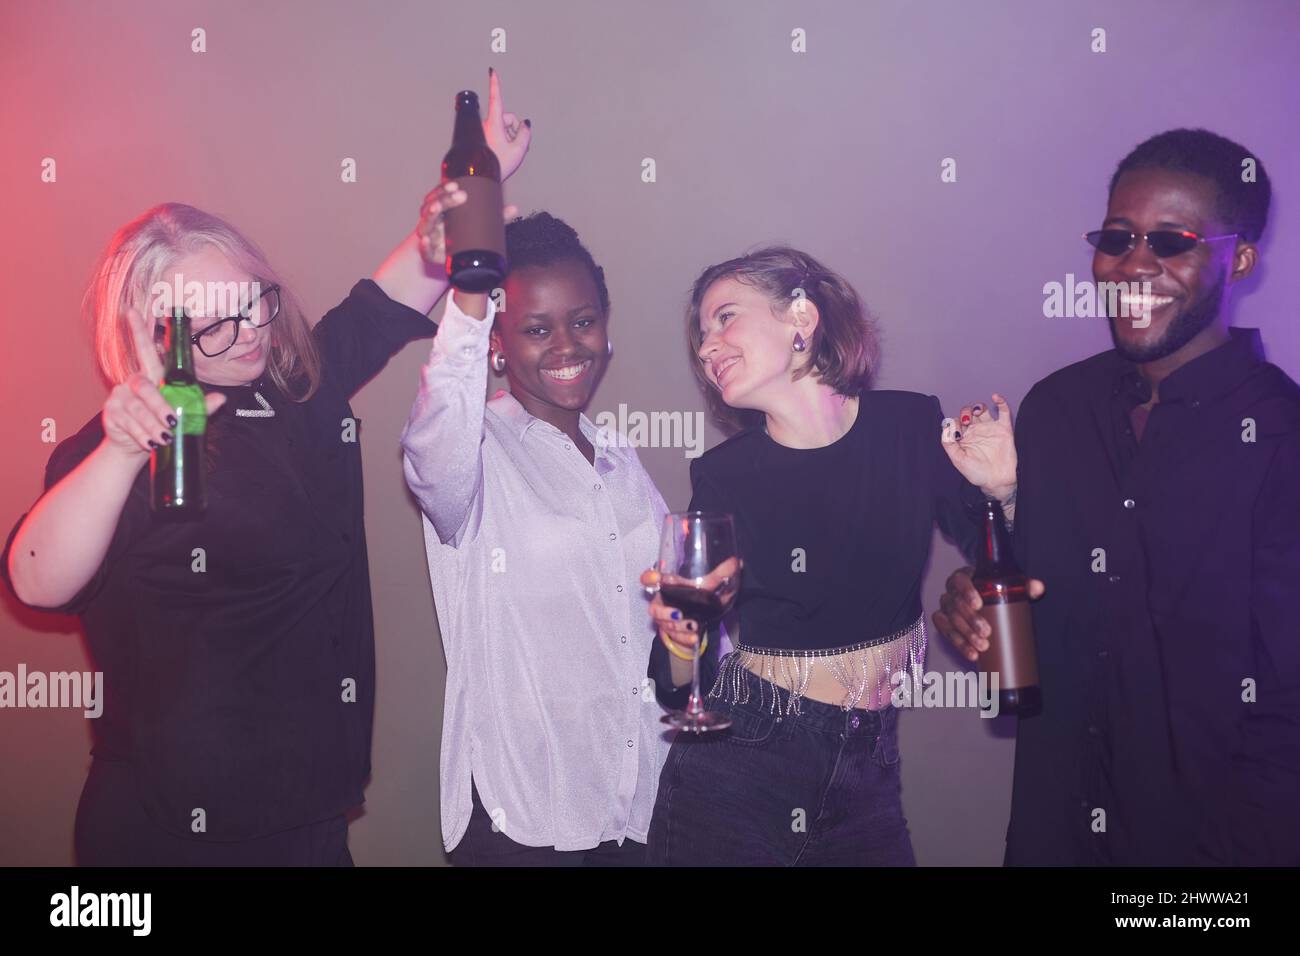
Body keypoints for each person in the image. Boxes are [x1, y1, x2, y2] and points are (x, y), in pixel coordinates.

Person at [0, 71, 531, 865]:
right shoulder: (140, 441)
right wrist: (119, 449)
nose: (248, 333)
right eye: (211, 326)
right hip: (171, 832)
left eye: (254, 301)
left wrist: (473, 186)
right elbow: (35, 581)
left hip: (307, 813)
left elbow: (383, 302)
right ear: (149, 333)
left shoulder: (296, 386)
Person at [933, 128, 1300, 866]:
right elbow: (1034, 589)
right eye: (1118, 237)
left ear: (1241, 258)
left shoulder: (1282, 437)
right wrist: (975, 599)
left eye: (1173, 240)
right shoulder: (1057, 408)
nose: (1135, 264)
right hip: (1050, 834)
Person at [641, 246, 1017, 865]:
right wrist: (681, 637)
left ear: (801, 317)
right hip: (743, 763)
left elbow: (1004, 565)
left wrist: (1002, 494)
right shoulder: (723, 476)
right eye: (701, 337)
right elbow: (678, 687)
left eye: (725, 318)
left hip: (869, 761)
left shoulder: (910, 427)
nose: (707, 348)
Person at [401, 212, 672, 865]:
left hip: (637, 806)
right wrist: (470, 290)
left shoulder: (620, 459)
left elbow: (663, 627)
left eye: (582, 322)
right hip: (522, 817)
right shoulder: (471, 454)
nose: (567, 346)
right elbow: (437, 428)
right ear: (496, 343)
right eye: (536, 329)